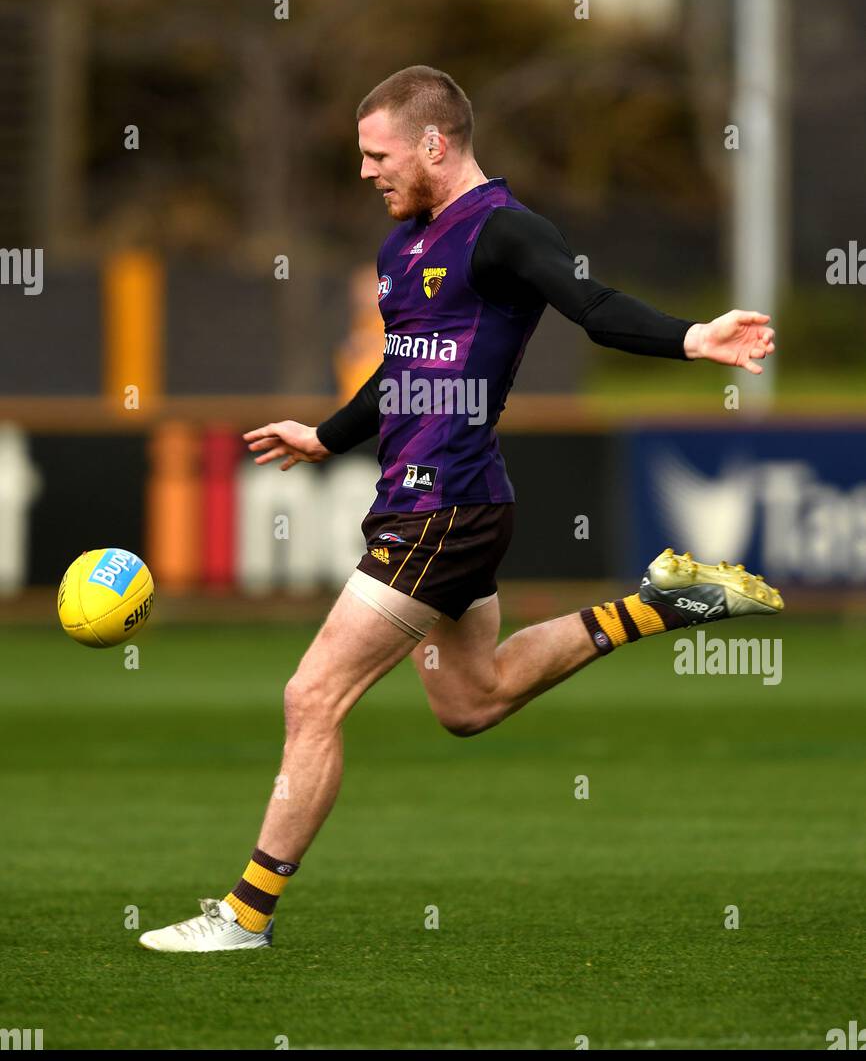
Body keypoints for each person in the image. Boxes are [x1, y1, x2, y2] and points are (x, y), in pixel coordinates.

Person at [139, 66, 781, 952]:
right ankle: (668, 603)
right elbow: (405, 371)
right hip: (446, 499)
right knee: (471, 702)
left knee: (312, 695)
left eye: (379, 154)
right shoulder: (402, 246)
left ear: (435, 143)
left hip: (443, 509)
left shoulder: (505, 233)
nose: (366, 172)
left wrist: (691, 337)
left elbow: (591, 308)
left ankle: (246, 915)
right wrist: (327, 437)